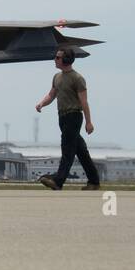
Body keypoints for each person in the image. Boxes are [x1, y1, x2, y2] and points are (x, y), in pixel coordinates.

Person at [34, 46, 101, 191]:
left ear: (66, 59)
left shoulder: (77, 78)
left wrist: (89, 122)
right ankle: (94, 181)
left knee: (68, 150)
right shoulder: (57, 77)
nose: (55, 59)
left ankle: (58, 181)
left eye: (58, 57)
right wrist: (41, 104)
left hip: (74, 116)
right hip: (62, 117)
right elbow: (51, 95)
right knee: (81, 151)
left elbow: (84, 102)